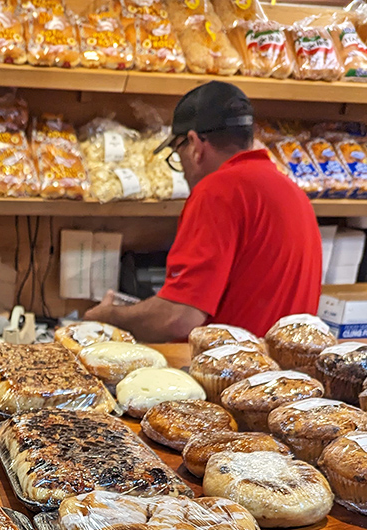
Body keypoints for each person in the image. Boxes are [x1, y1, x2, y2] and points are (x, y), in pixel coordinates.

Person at [84, 81, 322, 341]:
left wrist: (110, 317)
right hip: (282, 364)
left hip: (230, 365)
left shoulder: (218, 191)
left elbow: (178, 319)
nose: (183, 170)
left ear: (194, 145)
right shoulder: (293, 191)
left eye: (177, 154)